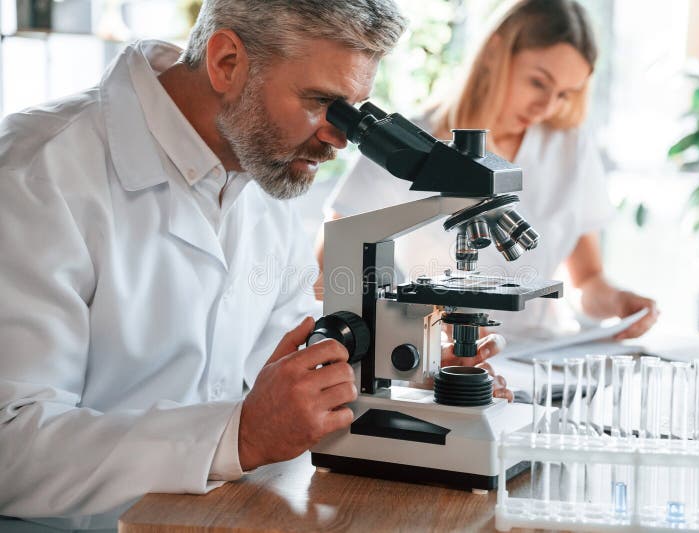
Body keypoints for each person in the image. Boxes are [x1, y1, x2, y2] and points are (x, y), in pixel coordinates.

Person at [0, 1, 411, 529]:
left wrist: (413, 366)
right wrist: (237, 435)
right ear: (226, 62)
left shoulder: (260, 169)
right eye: (321, 103)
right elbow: (11, 446)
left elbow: (284, 359)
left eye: (353, 111)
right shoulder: (37, 172)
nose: (337, 137)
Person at [320, 0, 659, 344]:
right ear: (496, 50)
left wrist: (618, 301)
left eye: (564, 95)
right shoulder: (409, 146)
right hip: (435, 351)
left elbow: (588, 279)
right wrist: (426, 321)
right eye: (539, 83)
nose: (547, 107)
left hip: (537, 354)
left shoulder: (570, 148)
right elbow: (334, 261)